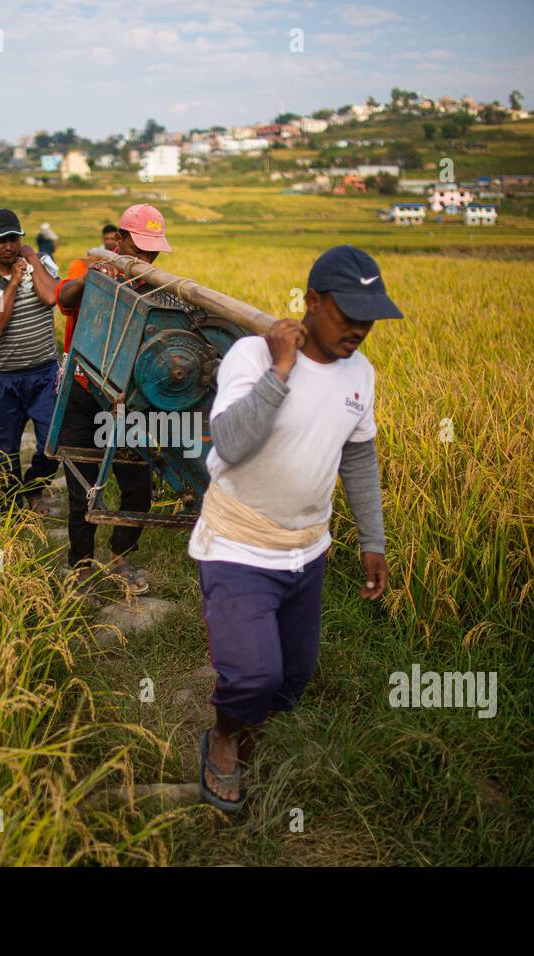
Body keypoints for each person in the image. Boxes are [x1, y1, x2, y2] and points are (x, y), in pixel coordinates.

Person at [189, 245, 401, 813]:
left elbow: (359, 456)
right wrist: (281, 370)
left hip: (307, 551)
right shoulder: (251, 356)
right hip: (237, 542)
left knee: (292, 679)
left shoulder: (362, 373)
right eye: (347, 313)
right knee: (253, 675)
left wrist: (372, 541)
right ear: (311, 301)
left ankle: (248, 722)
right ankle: (225, 738)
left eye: (369, 317)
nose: (360, 328)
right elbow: (230, 442)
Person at [54, 205, 185, 595]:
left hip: (128, 403)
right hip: (83, 392)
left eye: (152, 251)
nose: (146, 258)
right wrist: (94, 278)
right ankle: (79, 565)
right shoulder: (89, 265)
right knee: (82, 487)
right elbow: (63, 295)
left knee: (138, 487)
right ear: (121, 238)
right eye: (139, 248)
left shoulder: (159, 286)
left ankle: (120, 555)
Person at [0, 208, 62, 513]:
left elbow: (51, 297)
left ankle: (34, 487)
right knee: (1, 451)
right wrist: (14, 283)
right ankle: (10, 508)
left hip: (45, 373)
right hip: (5, 378)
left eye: (14, 239)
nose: (8, 246)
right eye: (1, 240)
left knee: (53, 443)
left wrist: (31, 259)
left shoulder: (41, 262)